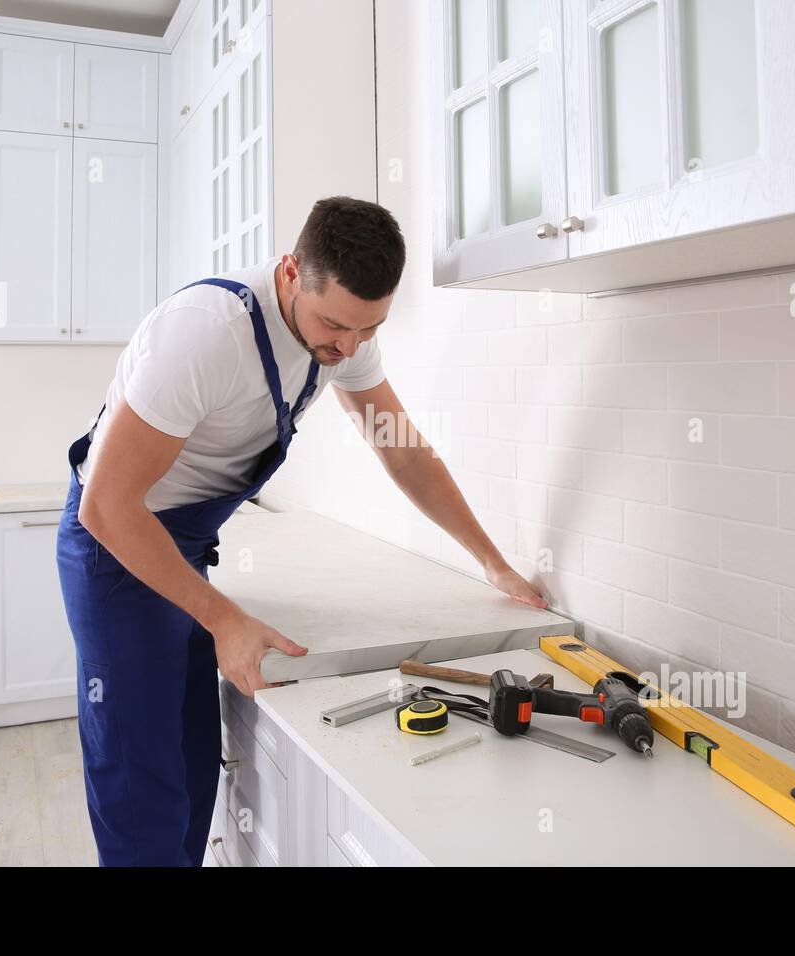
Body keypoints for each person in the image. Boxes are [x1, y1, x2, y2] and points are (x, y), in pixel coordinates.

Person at [56, 196, 547, 865]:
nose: (348, 349)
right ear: (291, 273)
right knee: (141, 773)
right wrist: (226, 621)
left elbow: (400, 449)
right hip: (118, 550)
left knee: (194, 755)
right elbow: (107, 507)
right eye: (336, 326)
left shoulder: (342, 338)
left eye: (369, 330)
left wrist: (492, 563)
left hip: (184, 548)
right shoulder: (205, 334)